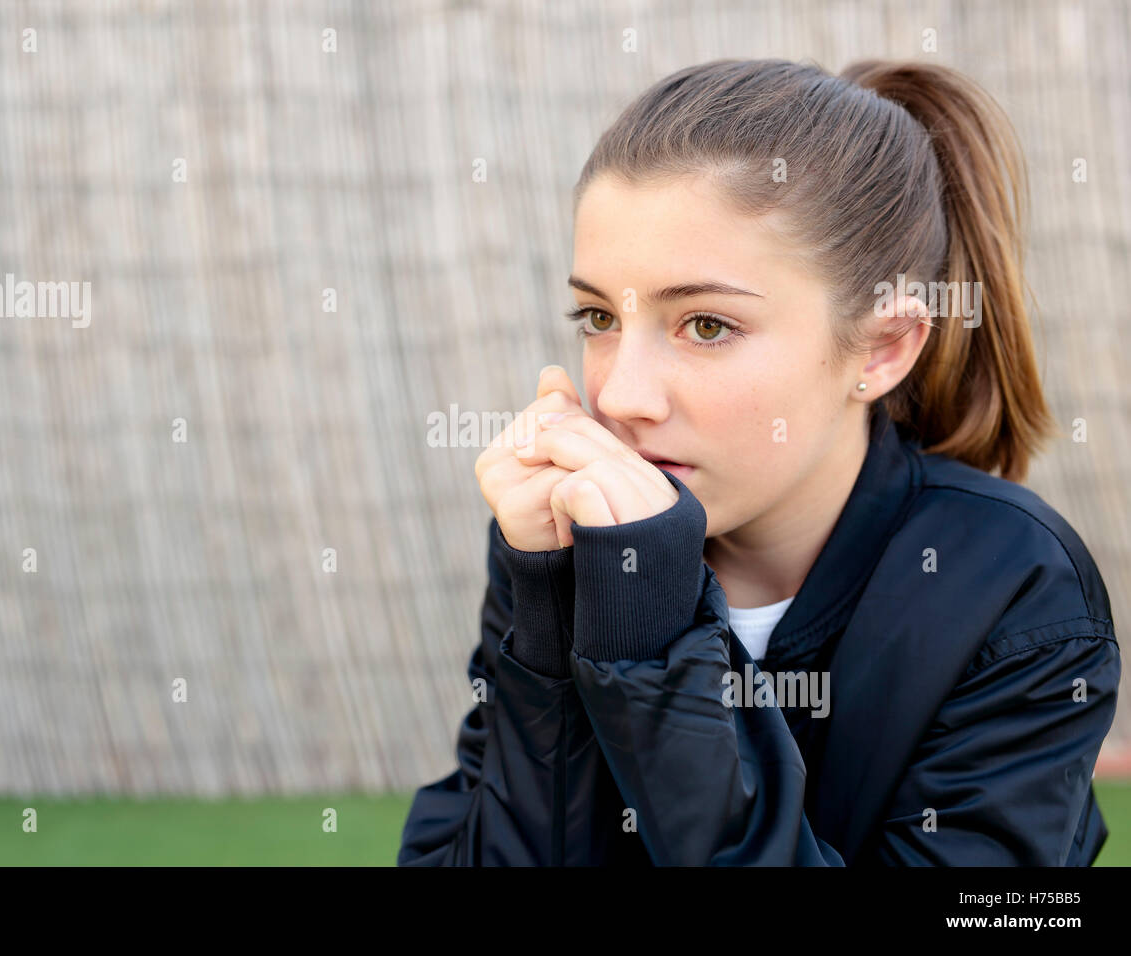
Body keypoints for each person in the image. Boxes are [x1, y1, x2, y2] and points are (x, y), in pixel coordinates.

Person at [397, 58, 1121, 865]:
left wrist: (652, 643)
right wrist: (550, 619)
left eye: (706, 325)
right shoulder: (567, 546)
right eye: (599, 315)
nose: (623, 395)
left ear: (883, 349)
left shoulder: (1011, 587)